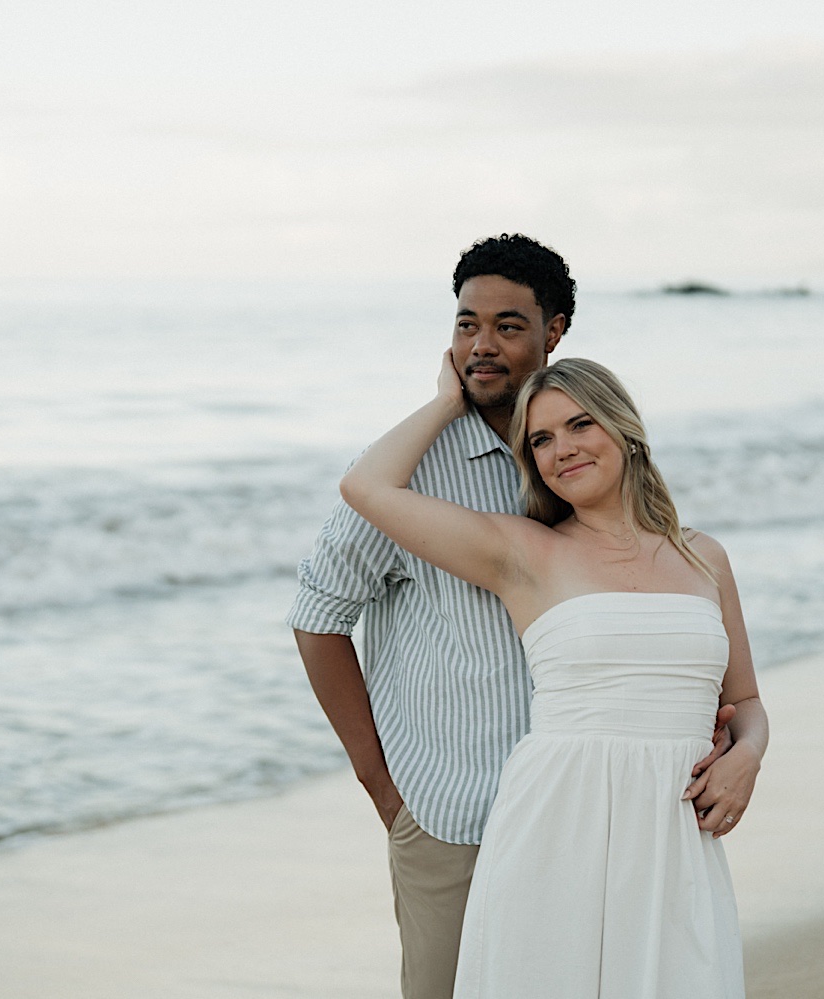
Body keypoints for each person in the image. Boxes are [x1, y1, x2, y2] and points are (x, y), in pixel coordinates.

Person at [286, 234, 736, 999]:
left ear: (554, 329)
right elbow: (317, 614)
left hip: (608, 822)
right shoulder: (413, 469)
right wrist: (387, 789)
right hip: (454, 811)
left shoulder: (578, 464)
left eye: (506, 325)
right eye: (466, 324)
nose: (480, 345)